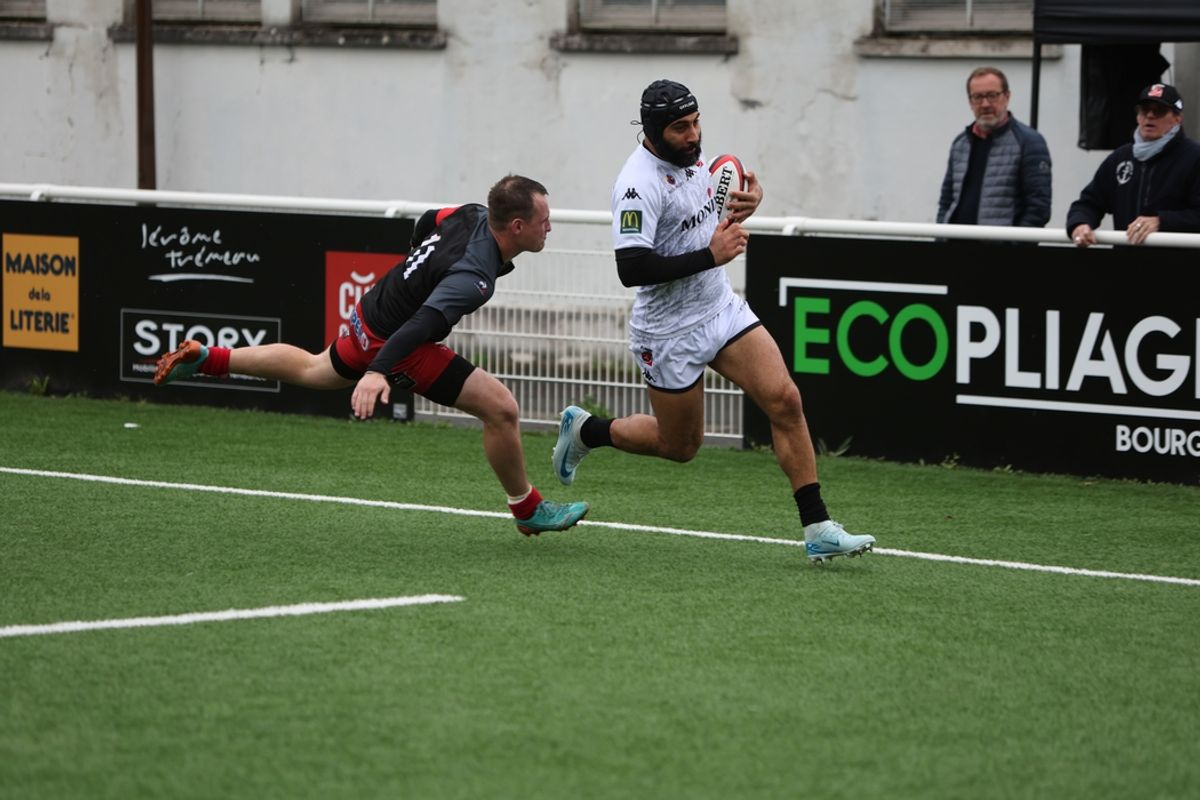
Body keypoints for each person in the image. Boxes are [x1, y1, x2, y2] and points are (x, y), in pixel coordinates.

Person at [153, 175, 589, 537]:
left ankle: (209, 358)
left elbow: (426, 221)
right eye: (544, 221)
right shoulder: (474, 277)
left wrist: (414, 266)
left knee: (315, 368)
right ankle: (527, 508)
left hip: (372, 311)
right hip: (397, 343)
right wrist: (378, 372)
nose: (549, 227)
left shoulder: (471, 212)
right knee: (501, 409)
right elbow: (420, 326)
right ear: (515, 226)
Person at [552, 78, 875, 564]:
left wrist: (747, 202)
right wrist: (710, 254)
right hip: (666, 332)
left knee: (785, 399)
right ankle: (586, 431)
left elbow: (707, 206)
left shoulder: (694, 157)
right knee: (679, 446)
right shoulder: (636, 185)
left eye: (697, 122)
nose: (694, 134)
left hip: (720, 309)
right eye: (681, 127)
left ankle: (818, 527)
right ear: (655, 132)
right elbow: (631, 269)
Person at [1067, 82, 1200, 247]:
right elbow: (1089, 202)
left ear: (1177, 119)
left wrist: (1162, 221)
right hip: (1126, 264)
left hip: (1180, 265)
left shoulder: (1194, 157)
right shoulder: (1120, 157)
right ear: (1138, 117)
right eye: (1144, 110)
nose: (1150, 116)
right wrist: (1080, 223)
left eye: (1159, 111)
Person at [937, 66, 1052, 227]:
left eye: (992, 95)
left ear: (1007, 97)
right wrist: (941, 236)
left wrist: (1013, 246)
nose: (985, 104)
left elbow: (1038, 208)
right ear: (970, 102)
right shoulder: (960, 143)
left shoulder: (1029, 142)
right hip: (954, 245)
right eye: (977, 97)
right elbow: (946, 200)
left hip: (1000, 249)